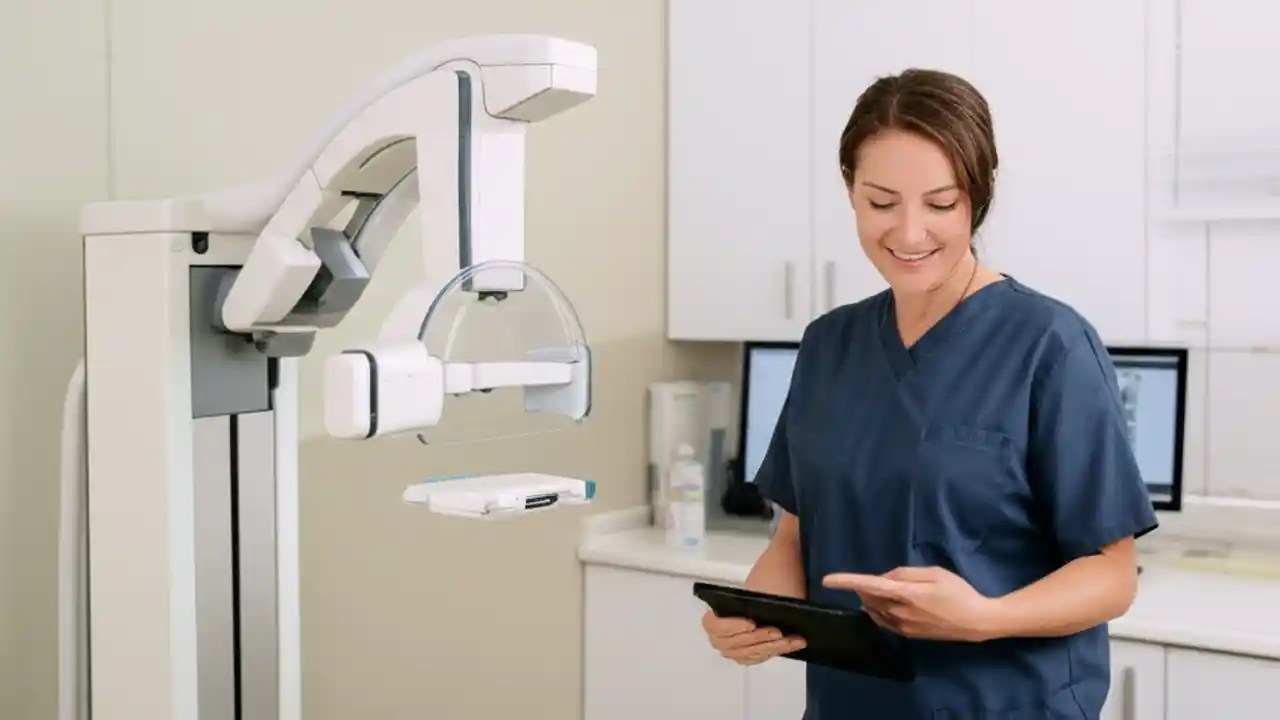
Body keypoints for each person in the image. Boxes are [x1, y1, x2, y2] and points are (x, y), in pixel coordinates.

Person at [700, 68, 1158, 718]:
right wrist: (756, 616)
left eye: (940, 204)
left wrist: (985, 616)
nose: (909, 233)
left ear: (977, 198)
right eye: (881, 202)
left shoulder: (1049, 344)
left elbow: (1112, 575)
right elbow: (792, 541)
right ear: (850, 192)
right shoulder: (829, 345)